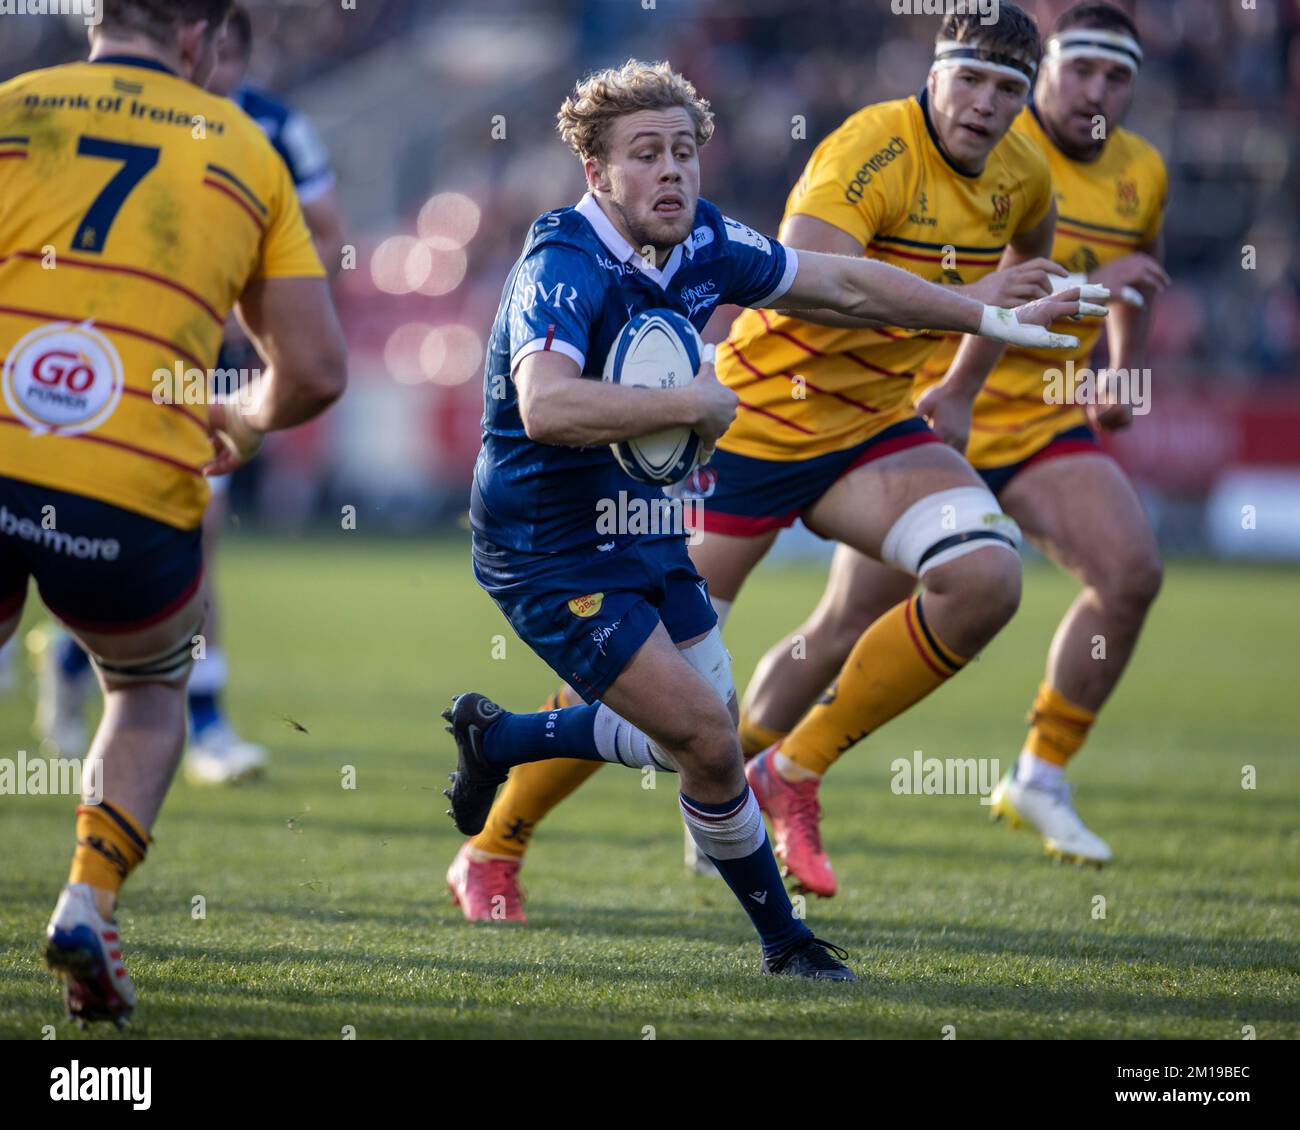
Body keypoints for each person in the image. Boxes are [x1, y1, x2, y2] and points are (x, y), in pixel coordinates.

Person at [441, 55, 1100, 977]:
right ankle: (787, 946)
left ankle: (501, 738)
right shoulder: (564, 263)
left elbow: (843, 285)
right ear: (597, 172)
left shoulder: (704, 240)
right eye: (646, 155)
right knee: (710, 739)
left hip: (647, 522)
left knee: (697, 742)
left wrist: (977, 315)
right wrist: (692, 404)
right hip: (547, 550)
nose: (672, 171)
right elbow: (547, 406)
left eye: (684, 151)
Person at [741, 2, 1168, 869]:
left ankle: (1041, 775)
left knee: (1130, 573)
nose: (1096, 91)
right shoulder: (972, 139)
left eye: (1117, 77)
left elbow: (1132, 279)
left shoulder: (1139, 171)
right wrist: (964, 380)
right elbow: (863, 275)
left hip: (1035, 419)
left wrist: (1120, 370)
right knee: (841, 625)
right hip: (917, 412)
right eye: (1081, 70)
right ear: (1045, 76)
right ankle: (733, 781)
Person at [0, 0, 347, 1024]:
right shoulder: (245, 148)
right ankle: (88, 896)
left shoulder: (13, 109)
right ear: (197, 38)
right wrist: (241, 418)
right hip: (131, 481)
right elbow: (315, 369)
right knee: (149, 683)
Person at [35, 2, 346, 786]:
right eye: (216, 54)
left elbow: (328, 232)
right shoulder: (141, 115)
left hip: (214, 361)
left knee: (193, 527)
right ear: (192, 43)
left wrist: (262, 298)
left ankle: (199, 715)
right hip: (109, 344)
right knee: (112, 521)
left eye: (234, 59)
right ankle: (85, 661)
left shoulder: (270, 128)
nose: (219, 72)